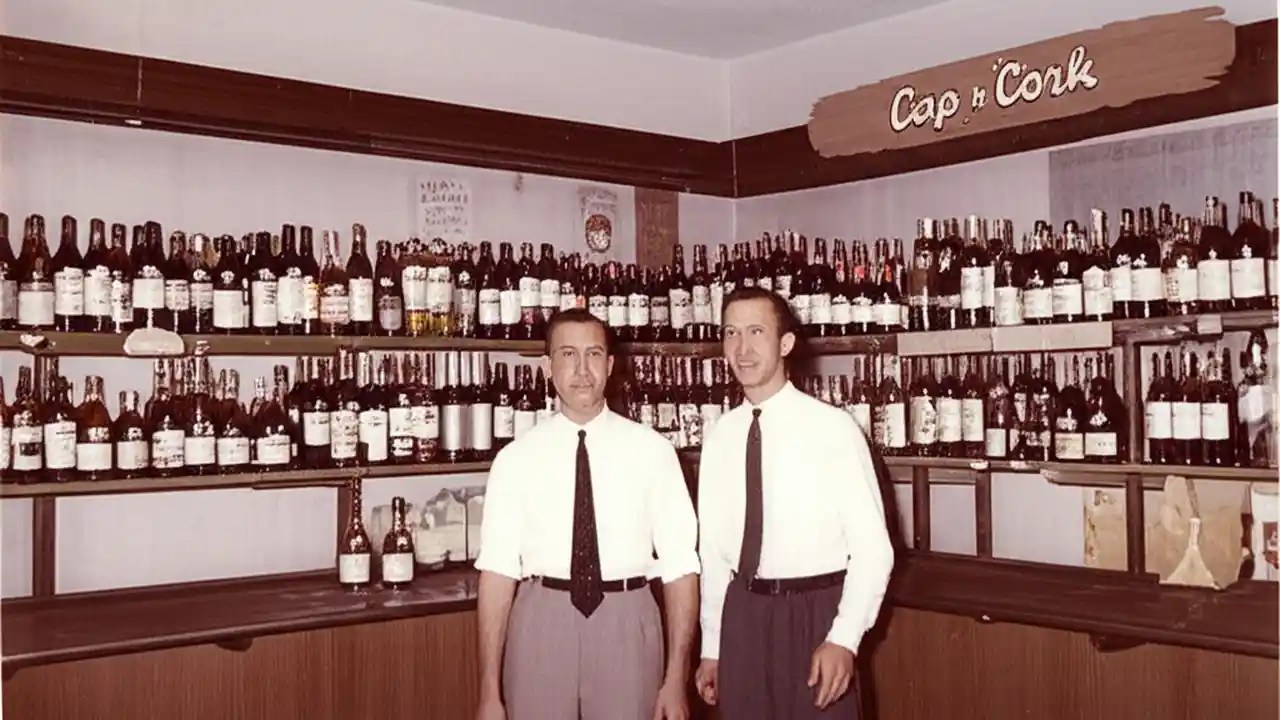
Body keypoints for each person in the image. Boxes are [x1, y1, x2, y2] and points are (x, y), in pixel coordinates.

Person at [474, 308, 700, 720]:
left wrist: (676, 678)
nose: (582, 370)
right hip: (541, 623)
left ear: (611, 365)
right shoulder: (515, 459)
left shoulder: (654, 452)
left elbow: (681, 568)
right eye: (567, 354)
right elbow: (497, 573)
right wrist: (489, 691)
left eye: (594, 354)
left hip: (628, 624)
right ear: (548, 366)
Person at [693, 286, 895, 718]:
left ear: (785, 343)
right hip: (744, 616)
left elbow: (873, 549)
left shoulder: (833, 429)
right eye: (730, 333)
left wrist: (844, 637)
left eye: (755, 332)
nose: (741, 349)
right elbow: (712, 554)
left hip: (815, 614)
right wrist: (713, 645)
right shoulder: (720, 437)